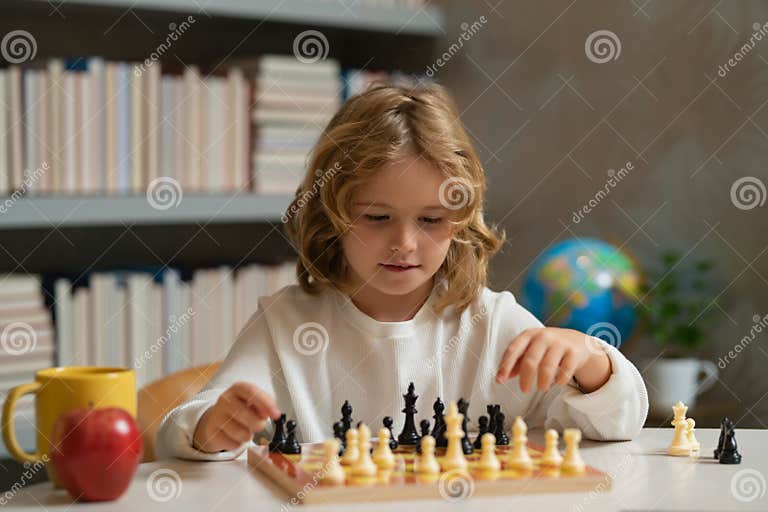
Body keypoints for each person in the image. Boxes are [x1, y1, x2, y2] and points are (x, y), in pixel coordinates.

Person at [156, 83, 648, 461]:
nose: (405, 243)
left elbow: (619, 422)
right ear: (331, 214)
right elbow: (184, 430)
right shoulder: (286, 324)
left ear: (460, 221)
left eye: (431, 220)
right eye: (377, 217)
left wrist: (591, 360)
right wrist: (209, 430)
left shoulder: (494, 323)